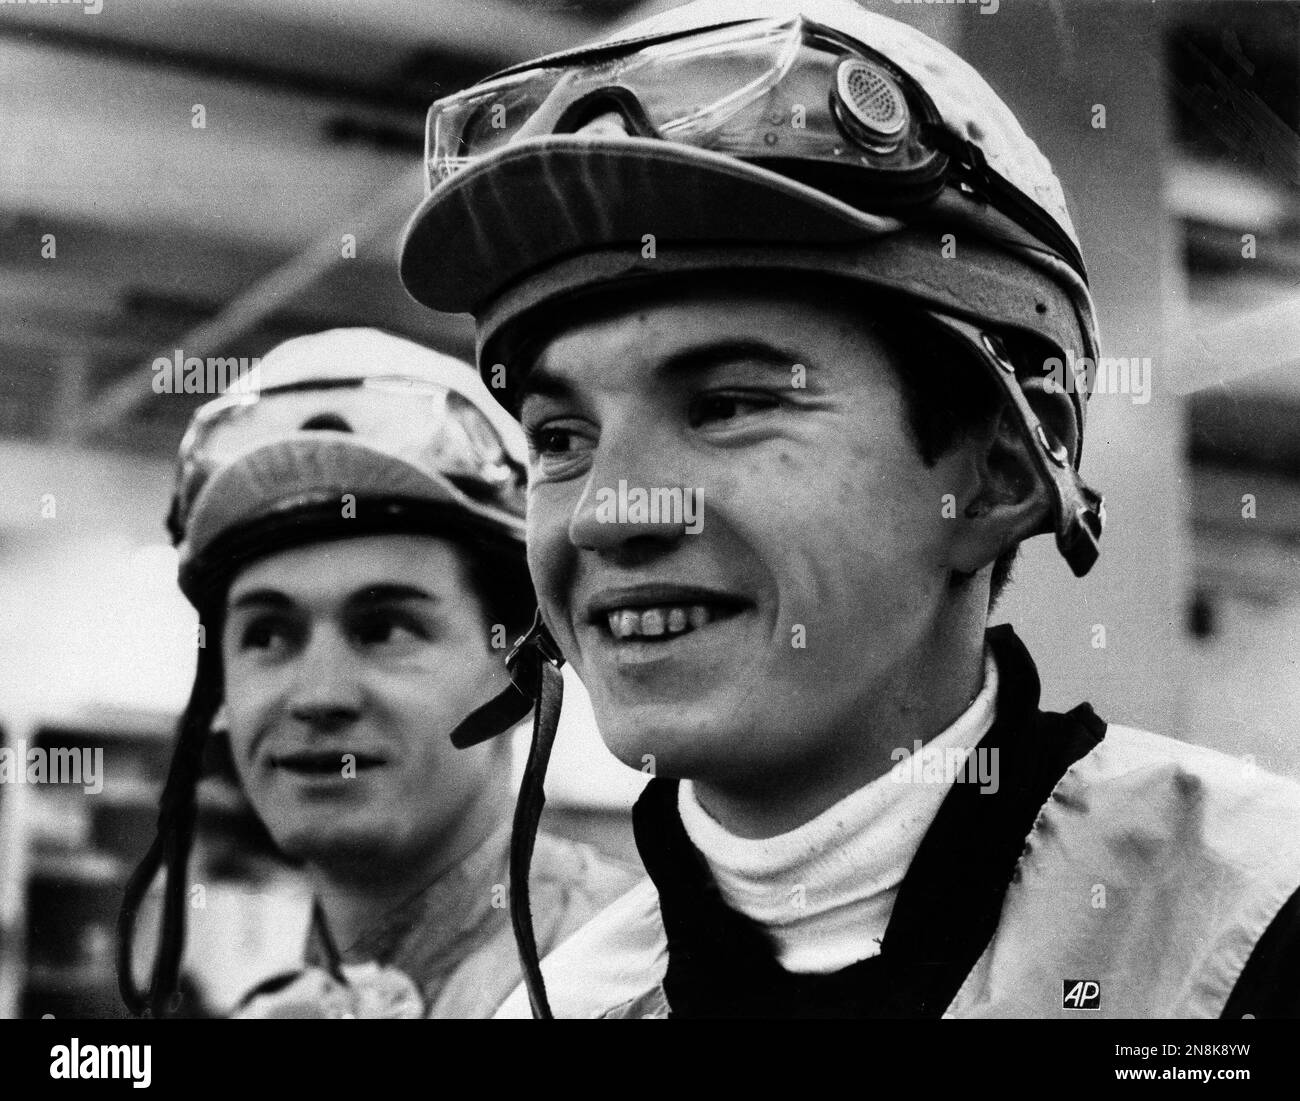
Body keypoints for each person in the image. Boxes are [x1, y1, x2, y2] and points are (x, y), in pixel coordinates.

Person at [397, 0, 1300, 1019]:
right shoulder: (562, 1004)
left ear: (1000, 473)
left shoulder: (1254, 925)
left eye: (728, 404)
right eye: (560, 440)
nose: (607, 512)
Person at [116, 328, 636, 1019]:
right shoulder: (288, 1007)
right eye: (267, 634)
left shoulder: (648, 980)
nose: (317, 696)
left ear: (521, 662)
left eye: (384, 628)